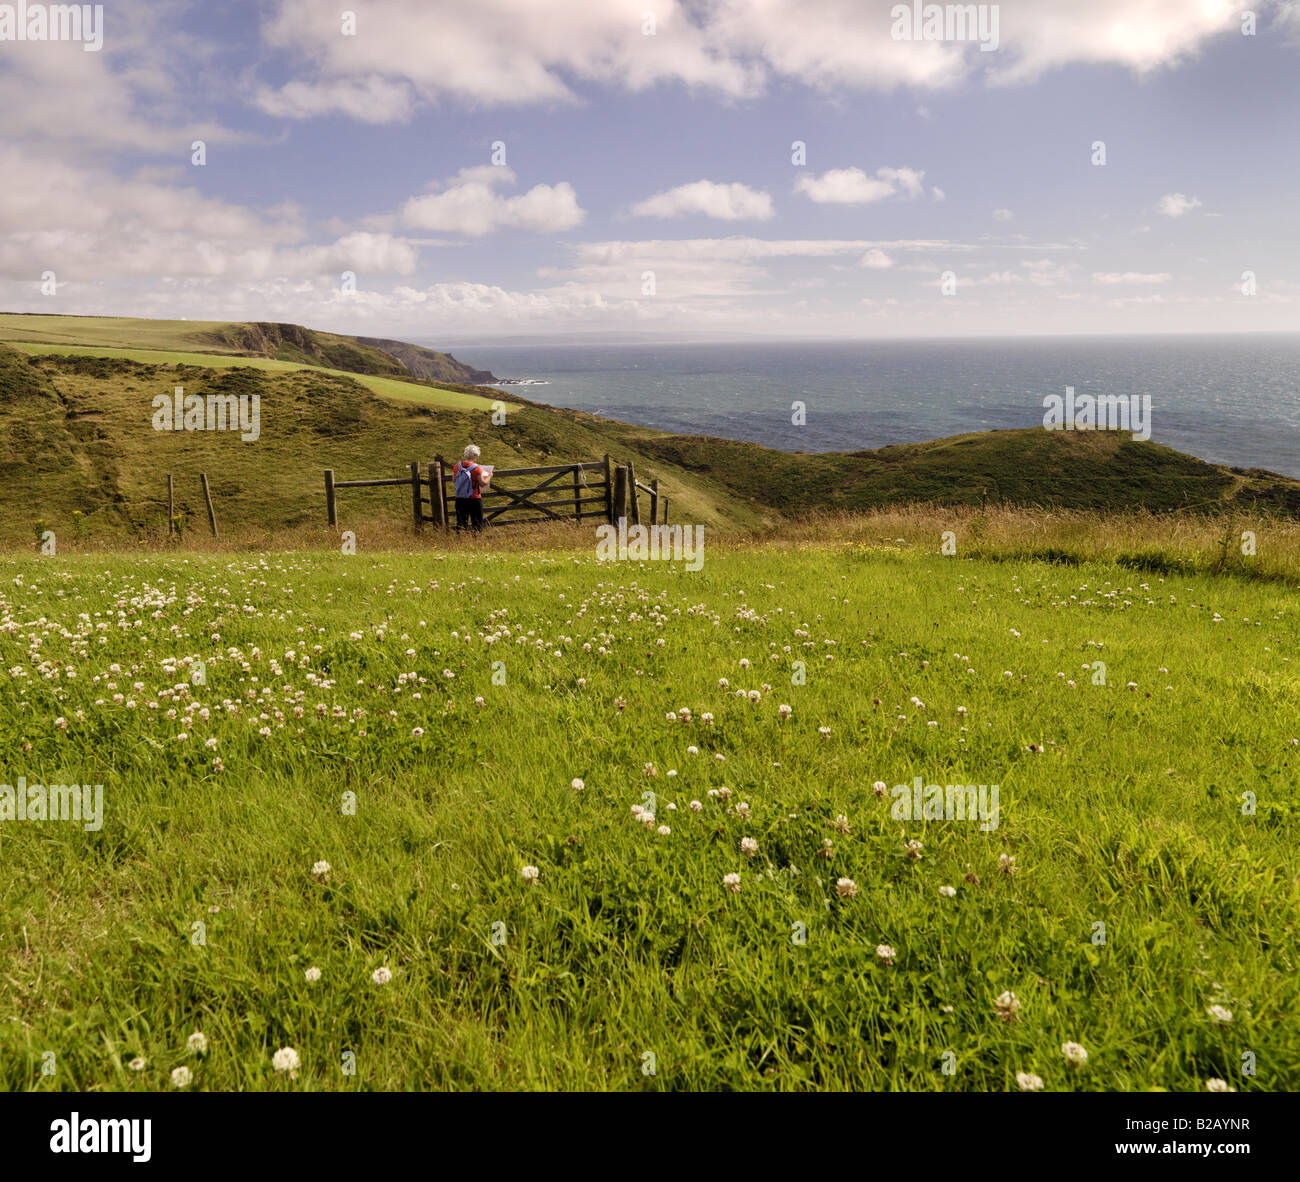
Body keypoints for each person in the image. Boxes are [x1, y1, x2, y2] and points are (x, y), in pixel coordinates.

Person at [453, 444, 488, 531]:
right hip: (474, 499)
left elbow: (454, 480)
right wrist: (490, 476)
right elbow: (483, 483)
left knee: (461, 523)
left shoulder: (457, 466)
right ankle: (475, 541)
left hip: (460, 499)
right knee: (477, 524)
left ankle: (461, 540)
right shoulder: (477, 468)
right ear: (475, 455)